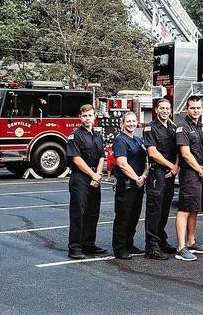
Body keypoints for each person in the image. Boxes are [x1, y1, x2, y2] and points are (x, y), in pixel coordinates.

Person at [66, 104, 106, 260]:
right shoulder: (75, 136)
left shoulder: (98, 135)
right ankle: (75, 248)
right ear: (80, 117)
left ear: (94, 117)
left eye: (90, 115)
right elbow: (76, 159)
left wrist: (98, 175)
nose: (87, 118)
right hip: (80, 178)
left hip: (95, 176)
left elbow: (101, 156)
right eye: (85, 116)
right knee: (79, 213)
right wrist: (93, 174)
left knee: (93, 212)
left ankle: (89, 244)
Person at [175, 97, 203, 262]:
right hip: (190, 173)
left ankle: (191, 242)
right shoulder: (182, 127)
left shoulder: (201, 127)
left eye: (198, 108)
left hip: (201, 172)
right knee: (184, 209)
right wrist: (200, 169)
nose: (196, 110)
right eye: (193, 108)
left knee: (194, 209)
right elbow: (185, 153)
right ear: (187, 109)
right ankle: (181, 248)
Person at [144, 98, 179, 260]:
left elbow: (179, 150)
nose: (165, 111)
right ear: (156, 110)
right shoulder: (150, 128)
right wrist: (172, 166)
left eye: (167, 108)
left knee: (165, 209)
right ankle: (151, 246)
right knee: (154, 210)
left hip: (170, 174)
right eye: (162, 108)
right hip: (156, 173)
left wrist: (175, 167)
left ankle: (160, 240)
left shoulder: (173, 128)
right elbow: (152, 153)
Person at [111, 111, 147, 260]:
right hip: (126, 184)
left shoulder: (138, 140)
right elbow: (122, 164)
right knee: (123, 217)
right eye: (128, 121)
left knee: (134, 216)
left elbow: (146, 159)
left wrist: (143, 176)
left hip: (138, 183)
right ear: (123, 123)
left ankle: (129, 244)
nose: (131, 124)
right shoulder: (120, 140)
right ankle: (119, 248)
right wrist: (137, 178)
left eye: (133, 121)